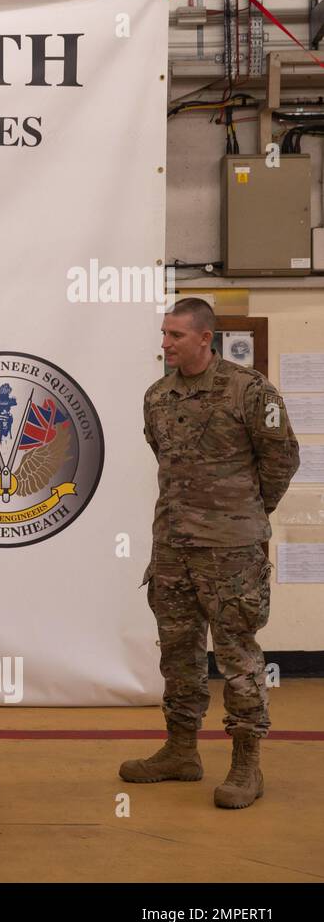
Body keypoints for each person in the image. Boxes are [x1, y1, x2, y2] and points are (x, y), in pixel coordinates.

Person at [120, 298, 299, 808]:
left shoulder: (249, 390)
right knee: (177, 652)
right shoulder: (158, 397)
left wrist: (243, 513)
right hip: (173, 545)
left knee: (237, 655)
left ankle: (247, 766)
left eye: (175, 335)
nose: (165, 343)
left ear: (205, 338)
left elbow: (281, 458)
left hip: (231, 551)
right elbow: (166, 458)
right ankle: (181, 751)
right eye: (163, 334)